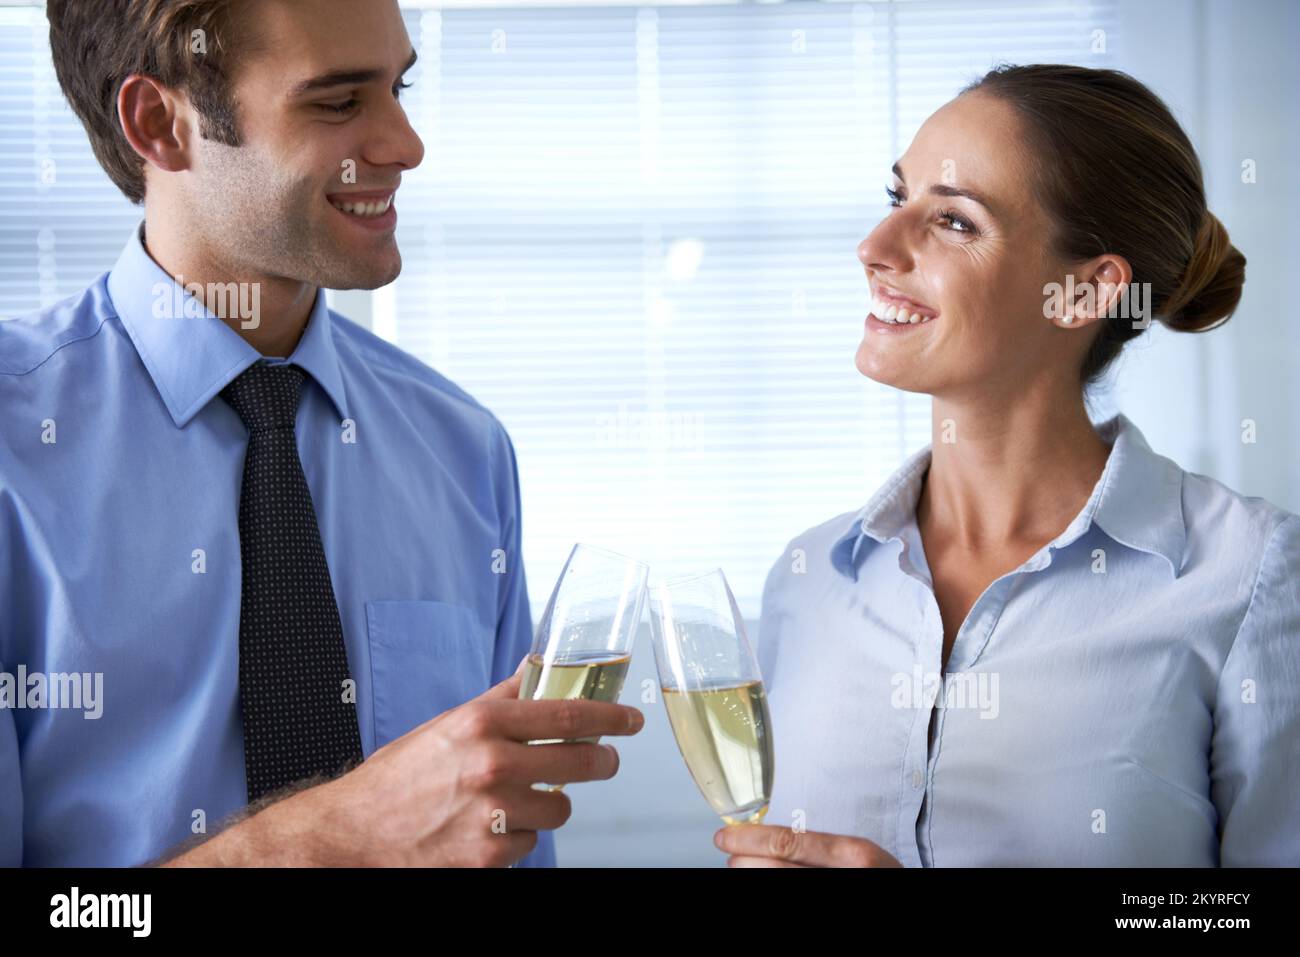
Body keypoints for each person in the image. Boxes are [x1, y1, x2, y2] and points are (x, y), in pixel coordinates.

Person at [0, 0, 643, 868]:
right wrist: (340, 836)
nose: (405, 144)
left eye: (398, 87)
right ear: (160, 123)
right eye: (339, 104)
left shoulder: (464, 451)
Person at [716, 64, 1298, 867]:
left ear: (1087, 292)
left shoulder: (1251, 576)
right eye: (899, 200)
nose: (875, 247)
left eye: (953, 222)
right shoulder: (809, 579)